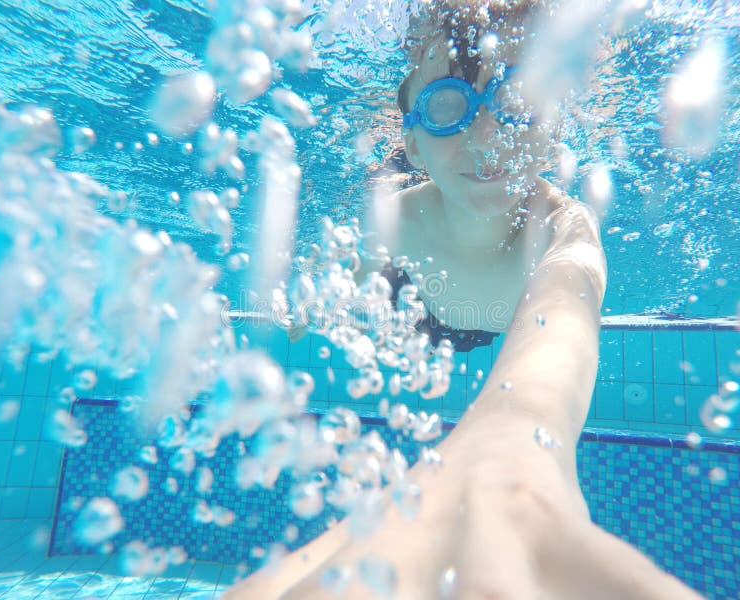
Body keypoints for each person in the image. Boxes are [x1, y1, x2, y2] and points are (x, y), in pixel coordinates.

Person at [225, 1, 705, 597]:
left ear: (553, 129)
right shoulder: (393, 216)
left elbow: (566, 309)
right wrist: (305, 311)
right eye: (451, 105)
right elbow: (331, 278)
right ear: (417, 143)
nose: (488, 135)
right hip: (414, 303)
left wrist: (514, 440)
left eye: (520, 104)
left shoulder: (563, 227)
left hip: (494, 324)